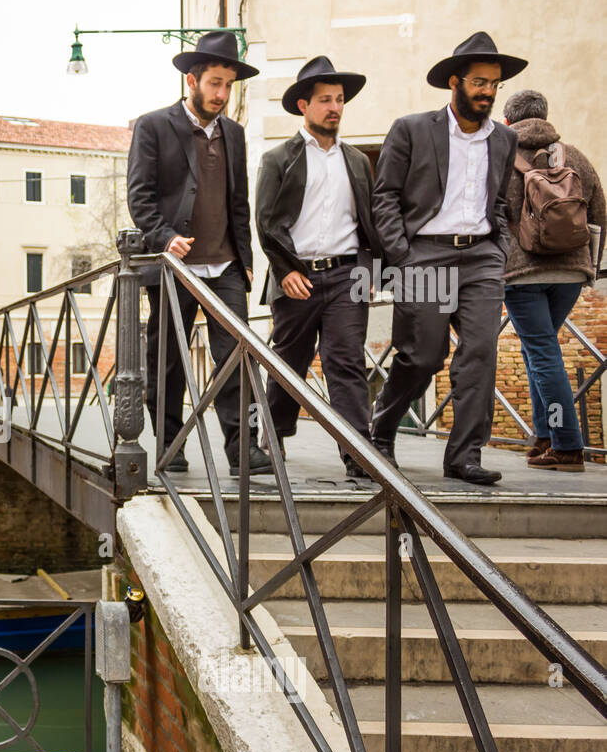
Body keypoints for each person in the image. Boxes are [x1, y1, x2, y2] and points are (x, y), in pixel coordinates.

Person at [368, 32, 525, 485]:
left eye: (495, 84)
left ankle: (464, 455)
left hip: (481, 259)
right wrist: (402, 256)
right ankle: (383, 426)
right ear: (455, 81)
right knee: (423, 357)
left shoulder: (504, 139)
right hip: (426, 256)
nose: (488, 92)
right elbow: (386, 197)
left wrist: (499, 247)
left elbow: (497, 202)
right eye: (479, 82)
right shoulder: (413, 129)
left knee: (479, 353)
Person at [127, 29, 268, 476]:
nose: (223, 93)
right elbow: (140, 198)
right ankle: (171, 443)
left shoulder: (236, 133)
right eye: (215, 83)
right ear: (192, 80)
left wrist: (245, 262)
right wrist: (165, 237)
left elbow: (239, 203)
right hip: (176, 266)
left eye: (229, 85)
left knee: (237, 360)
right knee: (168, 359)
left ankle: (243, 449)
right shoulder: (153, 126)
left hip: (226, 267)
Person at [256, 56, 378, 478]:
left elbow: (368, 222)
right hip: (296, 277)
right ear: (303, 106)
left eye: (340, 100)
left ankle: (358, 454)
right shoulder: (279, 159)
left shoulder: (358, 161)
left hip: (347, 276)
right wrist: (285, 269)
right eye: (325, 100)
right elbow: (267, 221)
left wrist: (370, 271)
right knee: (289, 362)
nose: (335, 108)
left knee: (345, 361)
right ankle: (272, 440)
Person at [501, 89, 605, 473]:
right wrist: (588, 265)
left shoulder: (501, 156)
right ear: (545, 116)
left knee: (543, 354)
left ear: (508, 121)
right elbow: (599, 211)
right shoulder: (573, 155)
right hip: (571, 273)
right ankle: (545, 436)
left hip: (523, 273)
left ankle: (566, 444)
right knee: (538, 353)